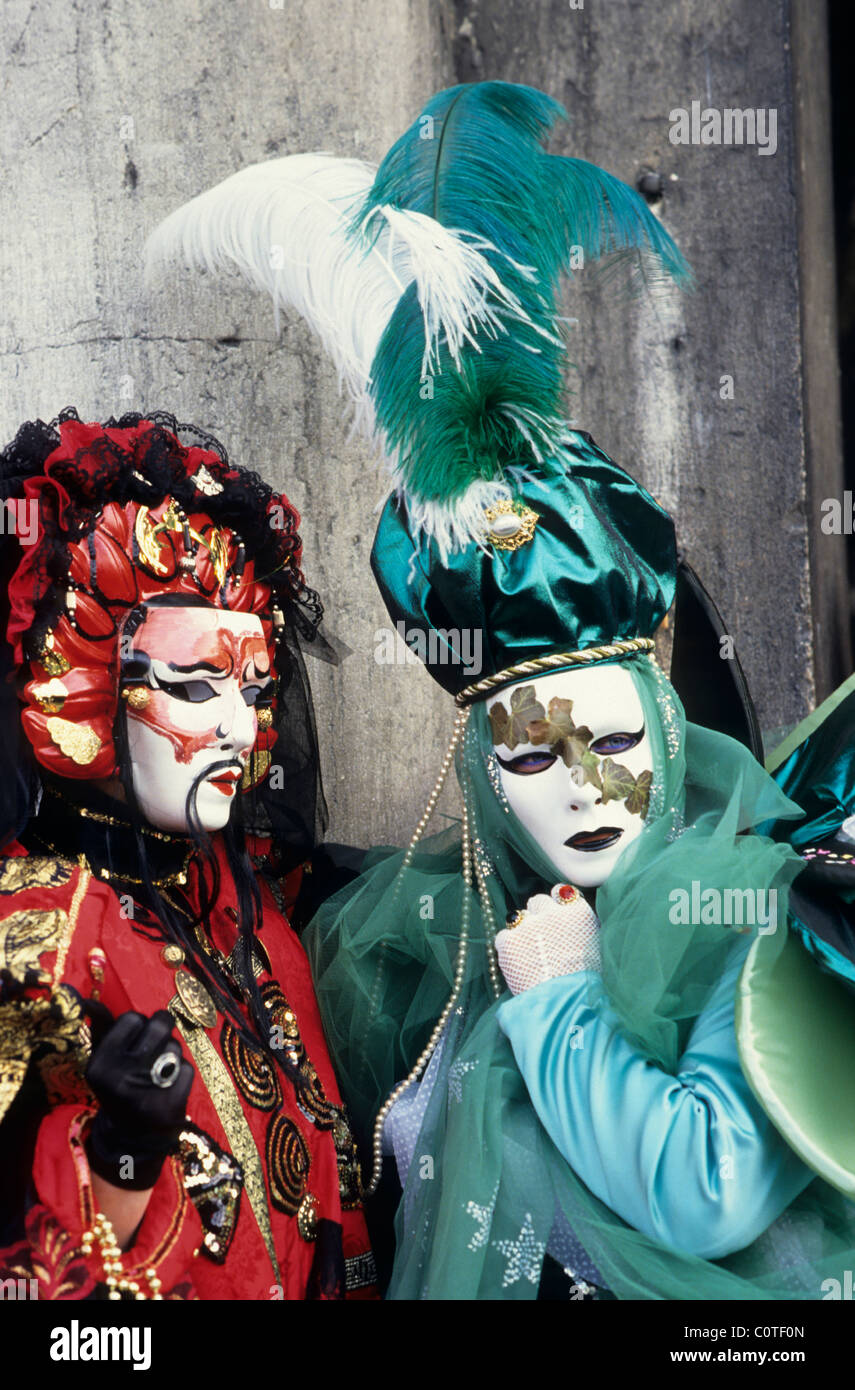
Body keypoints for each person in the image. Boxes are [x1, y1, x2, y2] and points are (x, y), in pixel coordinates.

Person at [0, 409, 375, 1301]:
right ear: (84, 684)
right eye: (196, 684)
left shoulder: (239, 903)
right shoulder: (29, 944)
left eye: (251, 688)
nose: (243, 728)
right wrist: (123, 1155)